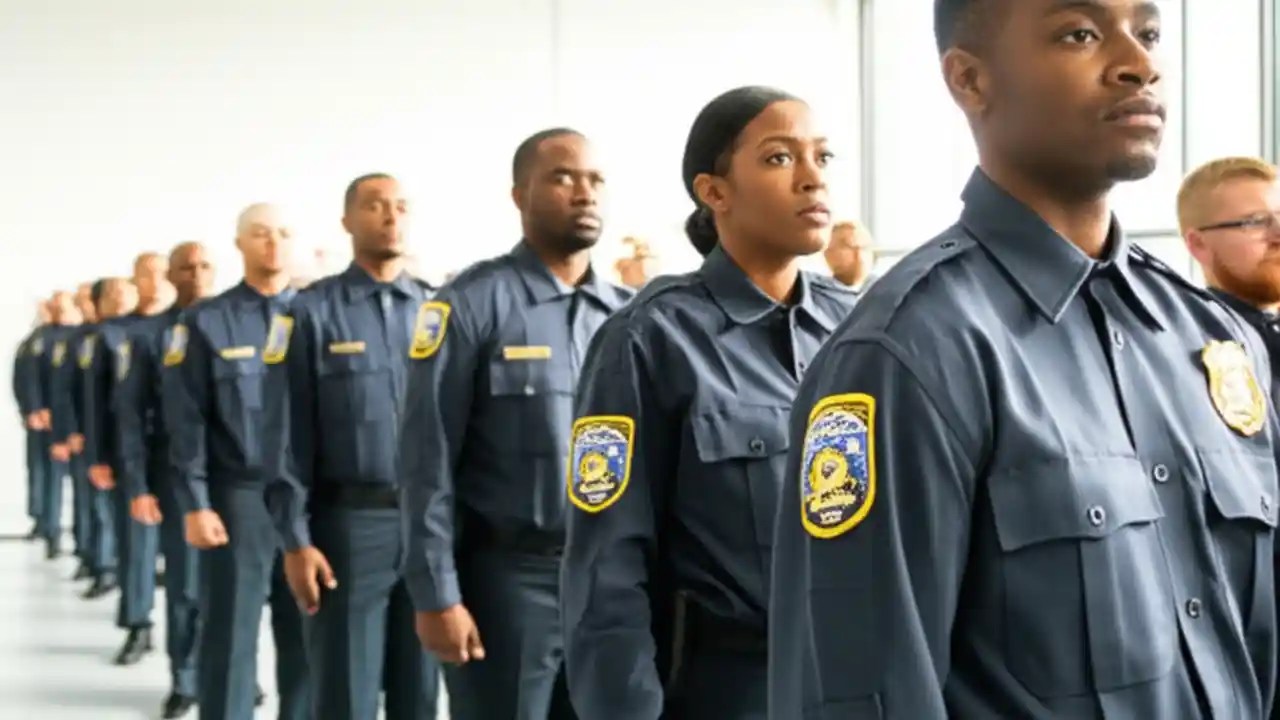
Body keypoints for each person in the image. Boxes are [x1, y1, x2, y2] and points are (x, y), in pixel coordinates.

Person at [768, 1, 1280, 718]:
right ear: (971, 81)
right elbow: (862, 690)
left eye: (1151, 33)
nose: (1141, 63)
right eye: (1081, 33)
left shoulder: (1208, 338)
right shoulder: (907, 353)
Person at [561, 86, 857, 719]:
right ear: (714, 191)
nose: (811, 180)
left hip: (855, 682)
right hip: (731, 689)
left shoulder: (861, 329)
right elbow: (606, 568)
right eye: (780, 159)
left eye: (822, 158)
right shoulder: (647, 339)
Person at [399, 128, 633, 720]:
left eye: (595, 180)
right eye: (563, 177)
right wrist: (437, 595)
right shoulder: (470, 306)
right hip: (508, 584)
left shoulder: (631, 316)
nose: (584, 193)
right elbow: (428, 462)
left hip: (611, 582)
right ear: (519, 194)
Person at [264, 175, 440, 720]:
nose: (390, 216)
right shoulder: (307, 312)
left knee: (421, 693)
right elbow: (283, 432)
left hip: (427, 526)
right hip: (348, 527)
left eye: (401, 206)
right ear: (347, 221)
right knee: (344, 693)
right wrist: (295, 539)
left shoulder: (437, 310)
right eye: (374, 206)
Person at [166, 205, 309, 720]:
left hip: (312, 504)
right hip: (238, 501)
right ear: (240, 243)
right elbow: (187, 423)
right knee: (229, 634)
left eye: (284, 232)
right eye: (260, 234)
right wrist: (196, 502)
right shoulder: (205, 320)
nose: (273, 243)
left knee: (309, 642)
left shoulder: (318, 313)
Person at [114, 242, 214, 718]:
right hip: (174, 477)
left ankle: (231, 672)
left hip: (239, 479)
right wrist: (136, 485)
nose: (197, 274)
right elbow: (129, 415)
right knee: (187, 587)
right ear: (172, 276)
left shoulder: (233, 320)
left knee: (237, 589)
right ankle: (187, 678)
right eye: (186, 268)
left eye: (204, 266)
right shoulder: (151, 335)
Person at [79, 278, 137, 600]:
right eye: (111, 294)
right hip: (117, 444)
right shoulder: (99, 339)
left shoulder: (166, 328)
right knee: (120, 525)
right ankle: (105, 569)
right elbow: (88, 397)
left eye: (124, 291)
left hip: (163, 447)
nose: (119, 298)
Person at [37, 290, 82, 559]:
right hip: (56, 421)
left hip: (75, 426)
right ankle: (51, 530)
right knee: (50, 478)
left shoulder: (77, 340)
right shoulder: (46, 339)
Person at [66, 282, 100, 579]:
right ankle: (94, 559)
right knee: (90, 503)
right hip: (88, 434)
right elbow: (68, 391)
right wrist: (72, 430)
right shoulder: (78, 340)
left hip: (116, 436)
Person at [14, 300, 53, 542]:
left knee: (49, 473)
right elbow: (23, 380)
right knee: (38, 470)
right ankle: (41, 519)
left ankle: (48, 524)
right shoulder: (32, 343)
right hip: (38, 417)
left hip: (55, 418)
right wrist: (30, 410)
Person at [823, 220, 877, 290]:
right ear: (828, 253)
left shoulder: (885, 288)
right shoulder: (814, 294)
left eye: (864, 247)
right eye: (848, 246)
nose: (859, 253)